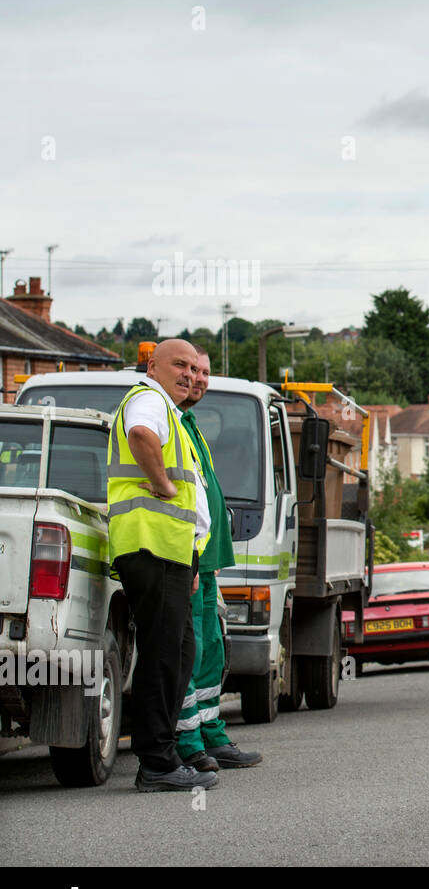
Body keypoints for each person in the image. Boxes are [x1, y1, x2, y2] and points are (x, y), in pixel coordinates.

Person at [107, 339, 217, 792]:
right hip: (150, 546)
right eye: (179, 364)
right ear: (152, 365)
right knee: (163, 655)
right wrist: (164, 485)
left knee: (177, 653)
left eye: (194, 368)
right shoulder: (149, 399)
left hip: (171, 552)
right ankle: (156, 762)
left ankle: (163, 754)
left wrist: (191, 559)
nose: (190, 374)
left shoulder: (168, 409)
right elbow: (140, 437)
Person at [176, 350, 262, 772]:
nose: (198, 379)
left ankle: (211, 734)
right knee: (188, 651)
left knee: (210, 647)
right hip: (185, 560)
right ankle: (188, 741)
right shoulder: (172, 422)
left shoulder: (192, 425)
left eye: (204, 372)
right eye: (190, 370)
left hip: (205, 562)